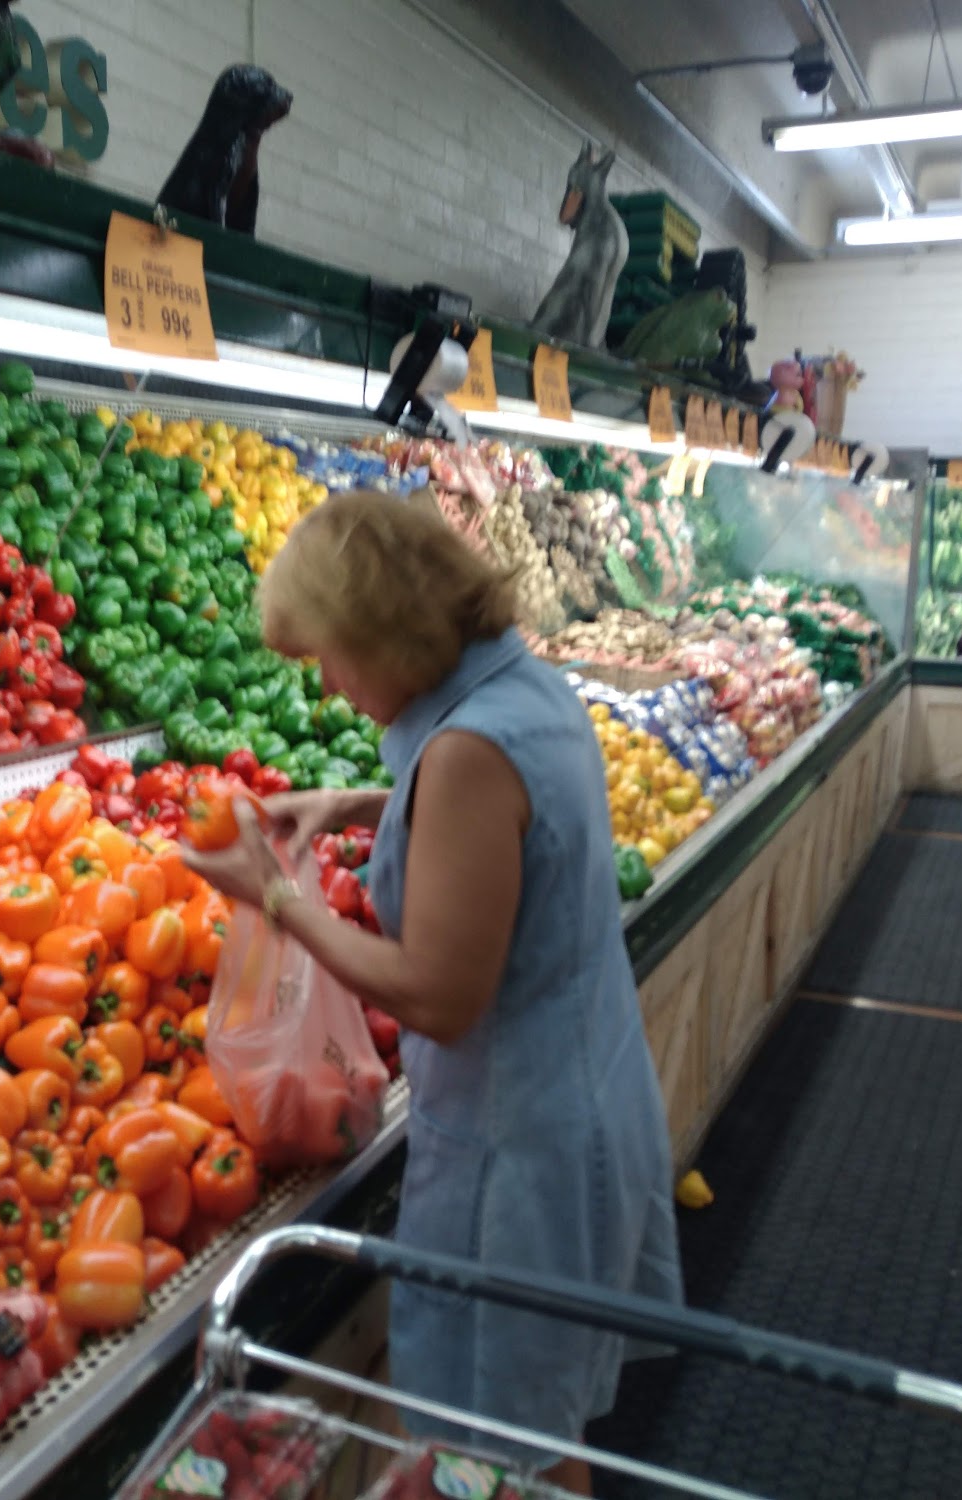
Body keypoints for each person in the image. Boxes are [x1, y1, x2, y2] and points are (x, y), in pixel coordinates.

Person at [184, 491, 682, 1491]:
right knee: (538, 1442)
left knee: (496, 1450)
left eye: (327, 654)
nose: (323, 682)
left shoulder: (462, 751)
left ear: (384, 633)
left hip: (518, 1157)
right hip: (582, 1100)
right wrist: (352, 803)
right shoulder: (525, 692)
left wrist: (279, 898)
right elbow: (494, 817)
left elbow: (437, 998)